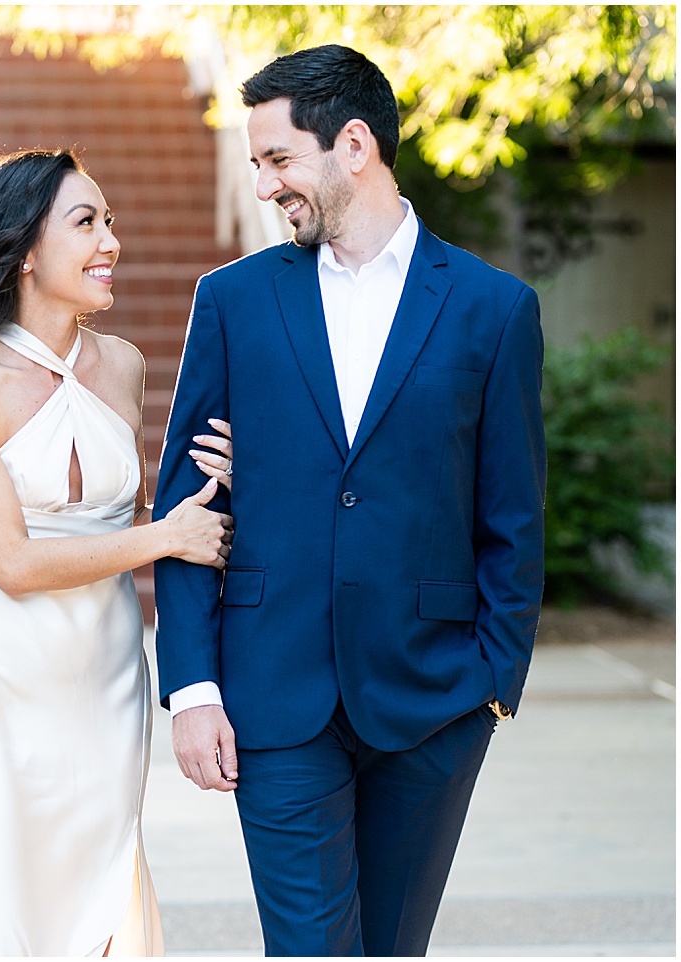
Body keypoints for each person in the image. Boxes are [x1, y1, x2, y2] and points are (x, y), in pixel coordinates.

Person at [152, 45, 545, 957]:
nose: (263, 186)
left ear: (354, 145)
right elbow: (185, 510)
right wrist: (194, 689)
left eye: (278, 159)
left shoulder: (494, 310)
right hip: (272, 695)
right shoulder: (232, 302)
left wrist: (492, 683)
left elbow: (513, 518)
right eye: (257, 163)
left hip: (435, 699)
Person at [0, 148, 235, 956]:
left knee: (102, 888)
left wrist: (228, 481)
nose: (112, 240)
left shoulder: (125, 366)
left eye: (110, 221)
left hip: (106, 679)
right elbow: (15, 563)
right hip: (1, 682)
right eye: (87, 222)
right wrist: (166, 537)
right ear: (25, 248)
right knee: (0, 902)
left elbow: (140, 515)